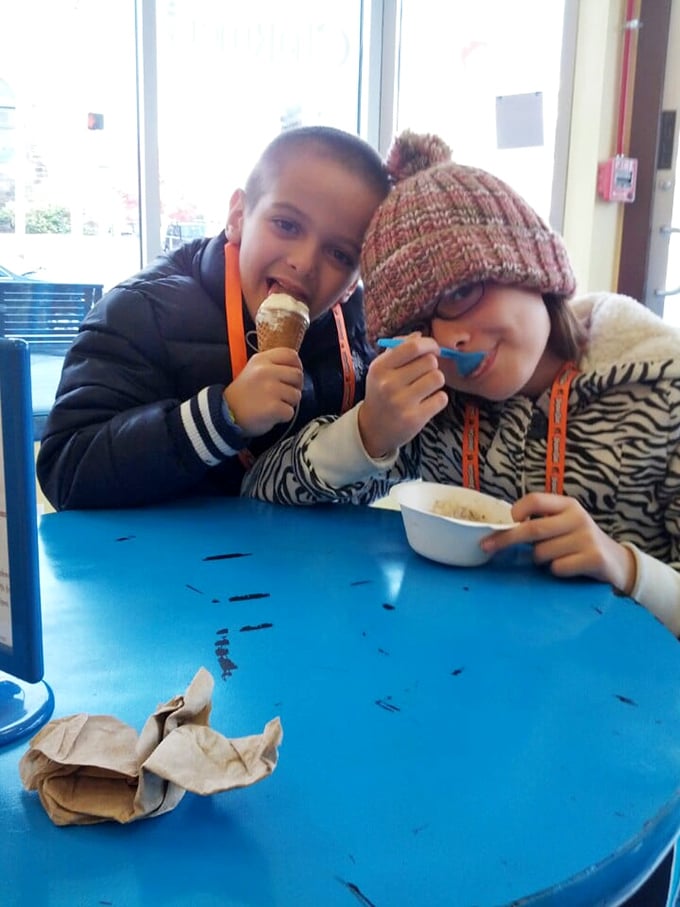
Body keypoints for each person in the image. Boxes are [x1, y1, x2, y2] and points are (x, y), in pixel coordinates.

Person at [242, 129, 680, 640]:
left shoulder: (661, 391)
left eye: (464, 292)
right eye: (419, 326)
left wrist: (627, 568)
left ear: (531, 266)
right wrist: (369, 432)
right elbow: (264, 489)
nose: (452, 339)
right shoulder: (434, 407)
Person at [36, 126, 391, 509]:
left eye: (339, 255)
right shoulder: (140, 312)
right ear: (238, 215)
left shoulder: (361, 329)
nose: (303, 263)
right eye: (286, 225)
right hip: (163, 561)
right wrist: (225, 415)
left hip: (304, 562)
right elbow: (66, 472)